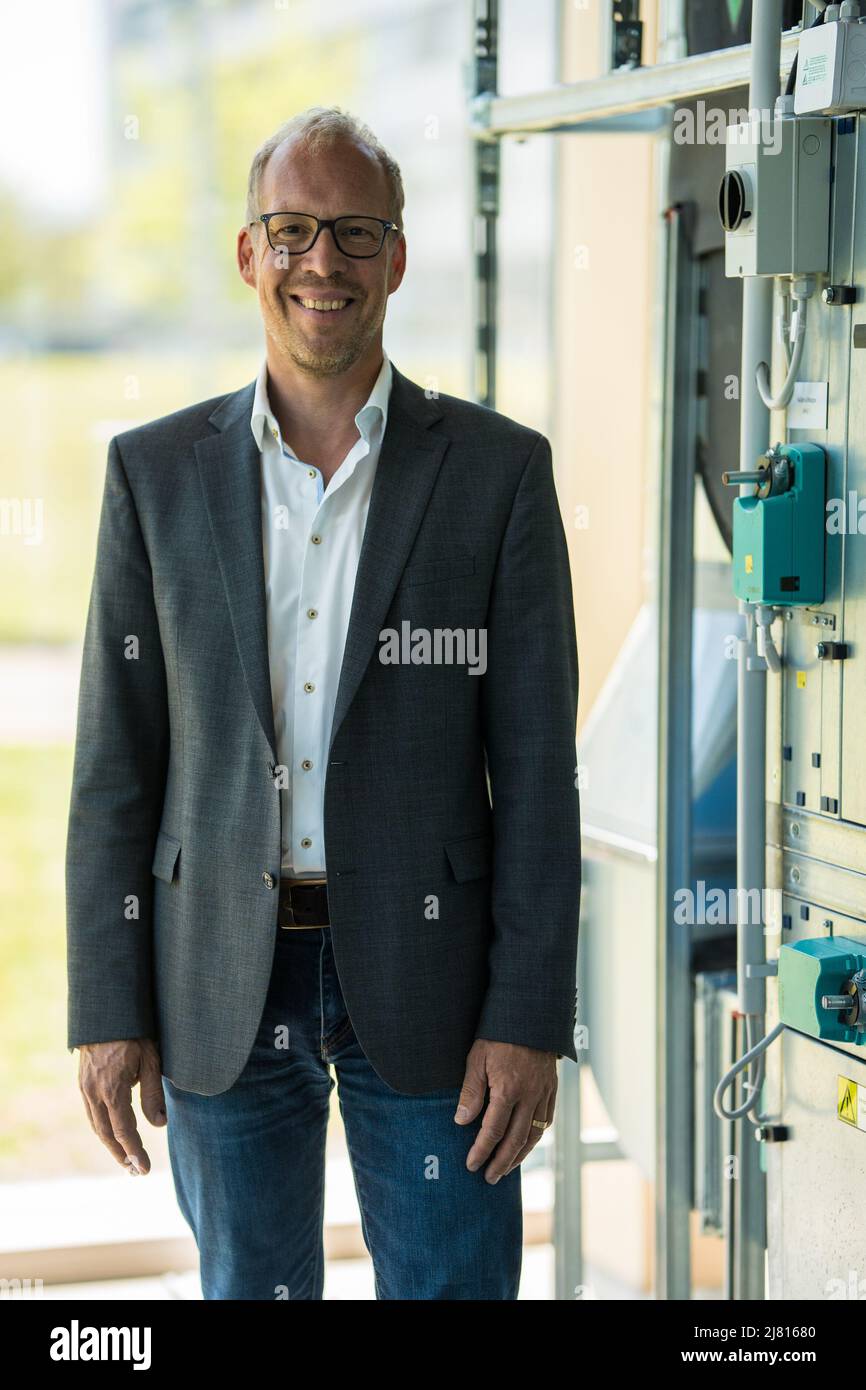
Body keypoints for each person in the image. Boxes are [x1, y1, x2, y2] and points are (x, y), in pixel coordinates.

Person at [66, 106, 581, 1301]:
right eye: (291, 231)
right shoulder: (152, 475)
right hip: (216, 985)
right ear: (250, 253)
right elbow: (114, 768)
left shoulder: (497, 474)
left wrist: (529, 1015)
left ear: (396, 258)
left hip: (438, 990)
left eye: (355, 234)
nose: (322, 264)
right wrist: (107, 999)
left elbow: (536, 777)